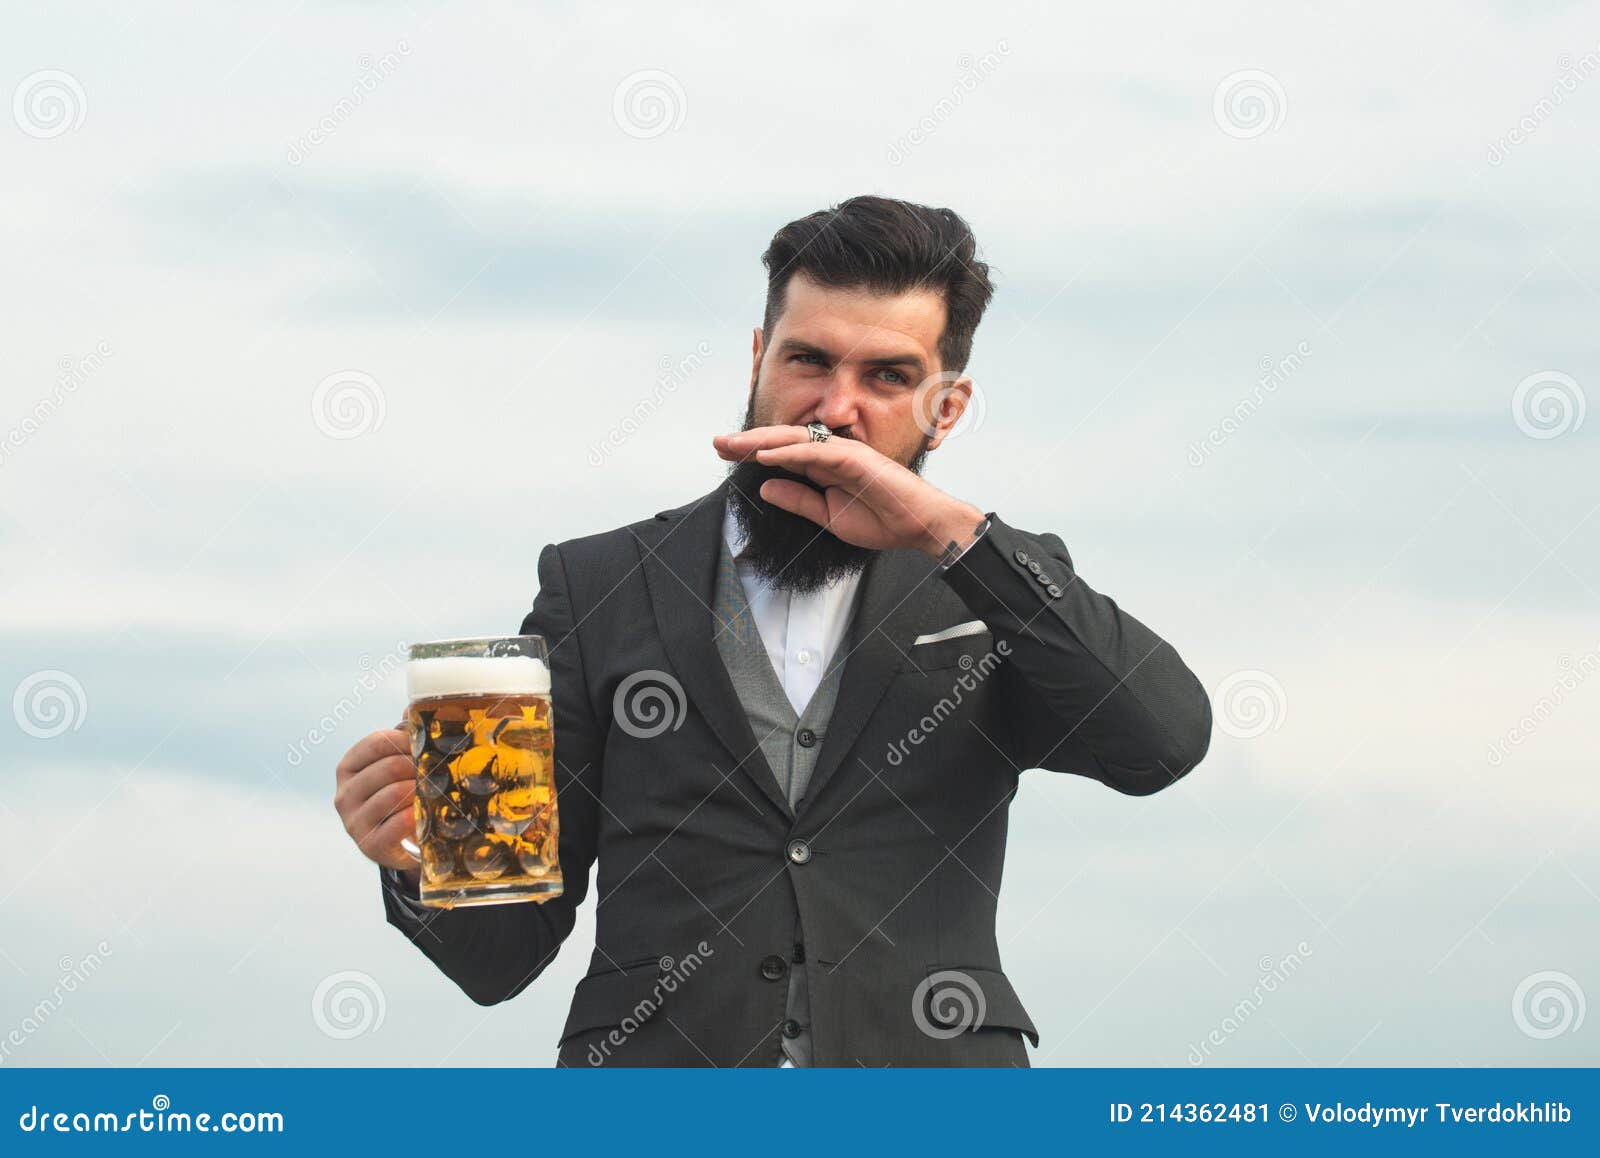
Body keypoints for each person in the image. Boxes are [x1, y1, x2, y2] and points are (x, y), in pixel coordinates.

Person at [333, 195, 1212, 1066]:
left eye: (889, 378)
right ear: (757, 359)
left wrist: (949, 534)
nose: (834, 407)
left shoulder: (993, 590)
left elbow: (1162, 742)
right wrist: (413, 859)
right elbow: (499, 960)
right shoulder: (594, 582)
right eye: (808, 360)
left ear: (946, 408)